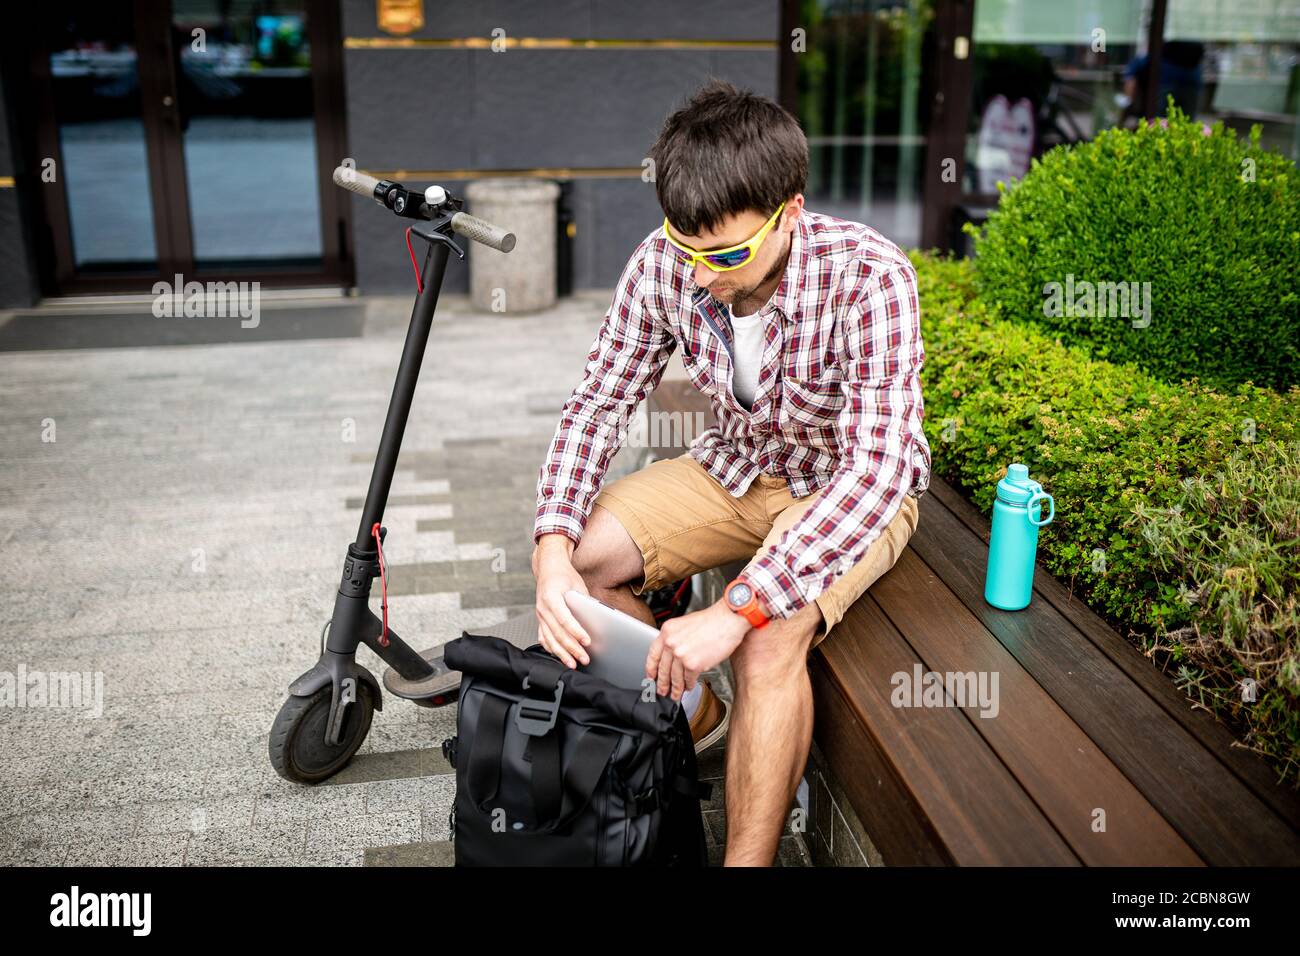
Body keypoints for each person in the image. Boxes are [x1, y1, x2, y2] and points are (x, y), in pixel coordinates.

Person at [531, 80, 930, 866]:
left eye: (728, 254)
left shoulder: (872, 276)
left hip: (845, 489)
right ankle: (696, 716)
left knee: (768, 636)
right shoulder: (665, 265)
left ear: (791, 210)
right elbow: (598, 405)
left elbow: (879, 468)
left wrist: (737, 606)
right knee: (579, 567)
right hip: (737, 468)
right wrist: (549, 543)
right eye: (687, 248)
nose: (703, 274)